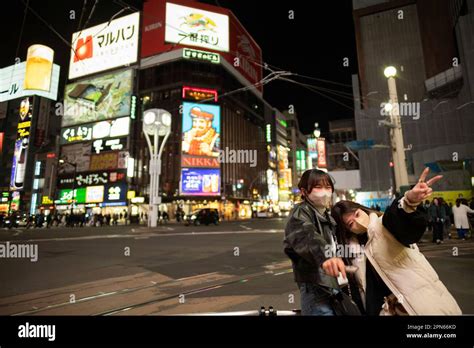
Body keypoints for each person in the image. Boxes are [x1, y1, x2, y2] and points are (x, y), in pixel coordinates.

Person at [331, 168, 461, 315]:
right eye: (350, 224)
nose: (357, 221)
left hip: (420, 305)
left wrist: (409, 201)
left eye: (357, 214)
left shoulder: (383, 226)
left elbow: (400, 219)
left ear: (362, 209)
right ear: (347, 231)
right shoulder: (351, 252)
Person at [283, 169, 345, 316]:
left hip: (331, 285)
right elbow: (306, 236)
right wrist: (325, 257)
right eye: (318, 187)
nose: (324, 192)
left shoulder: (325, 215)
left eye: (328, 187)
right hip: (316, 286)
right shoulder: (300, 213)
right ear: (304, 191)